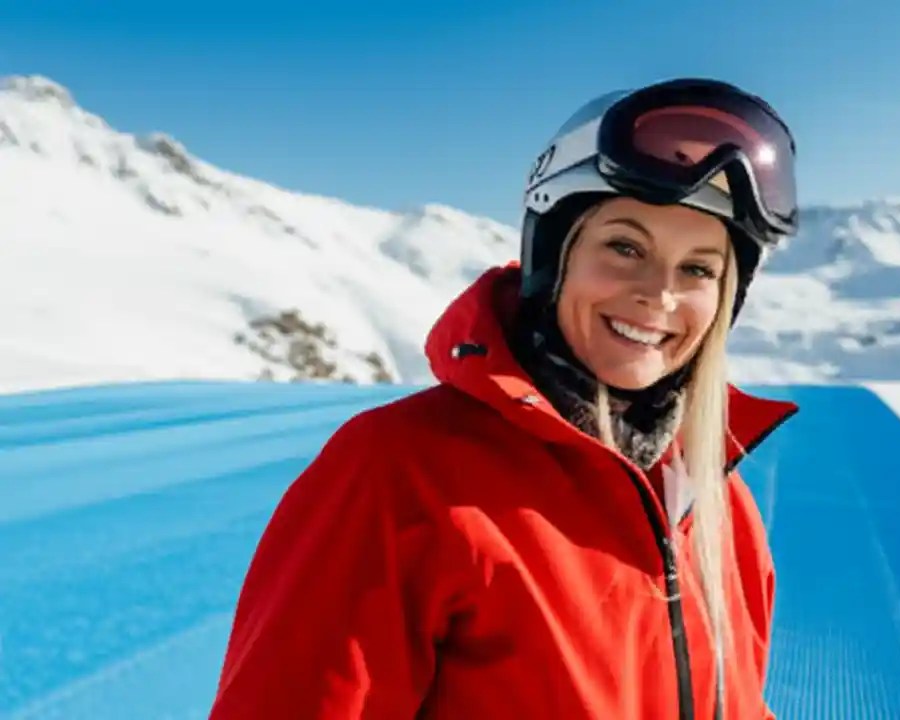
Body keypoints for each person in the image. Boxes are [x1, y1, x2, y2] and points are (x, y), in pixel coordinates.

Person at [208, 77, 800, 719]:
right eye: (625, 247)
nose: (658, 295)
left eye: (698, 269)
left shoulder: (715, 502)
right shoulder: (400, 471)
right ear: (554, 255)